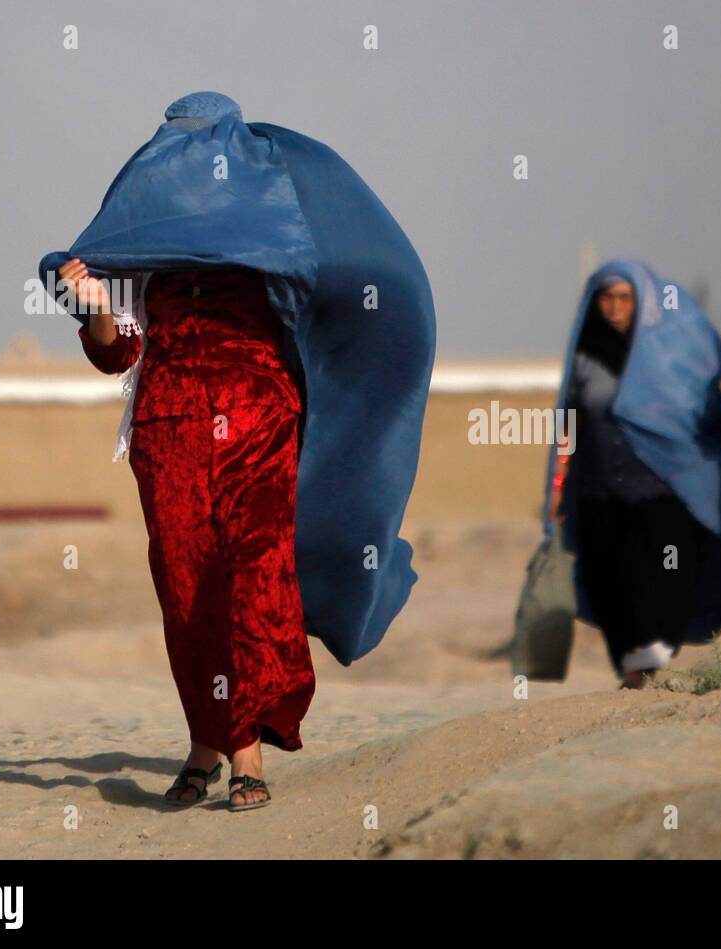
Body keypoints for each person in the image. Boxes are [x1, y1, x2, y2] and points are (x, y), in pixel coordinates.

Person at [40, 92, 435, 809]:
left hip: (259, 419)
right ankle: (205, 740)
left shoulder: (273, 222)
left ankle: (246, 748)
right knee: (186, 588)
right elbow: (118, 350)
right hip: (169, 430)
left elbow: (329, 304)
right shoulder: (144, 231)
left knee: (253, 577)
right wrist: (92, 306)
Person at [545, 260, 721, 688]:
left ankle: (647, 661)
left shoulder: (667, 359)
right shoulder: (585, 359)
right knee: (603, 578)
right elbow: (569, 427)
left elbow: (696, 418)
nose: (614, 307)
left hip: (659, 489)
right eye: (606, 298)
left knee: (666, 574)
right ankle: (634, 662)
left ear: (640, 303)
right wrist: (559, 485)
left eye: (623, 298)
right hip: (597, 488)